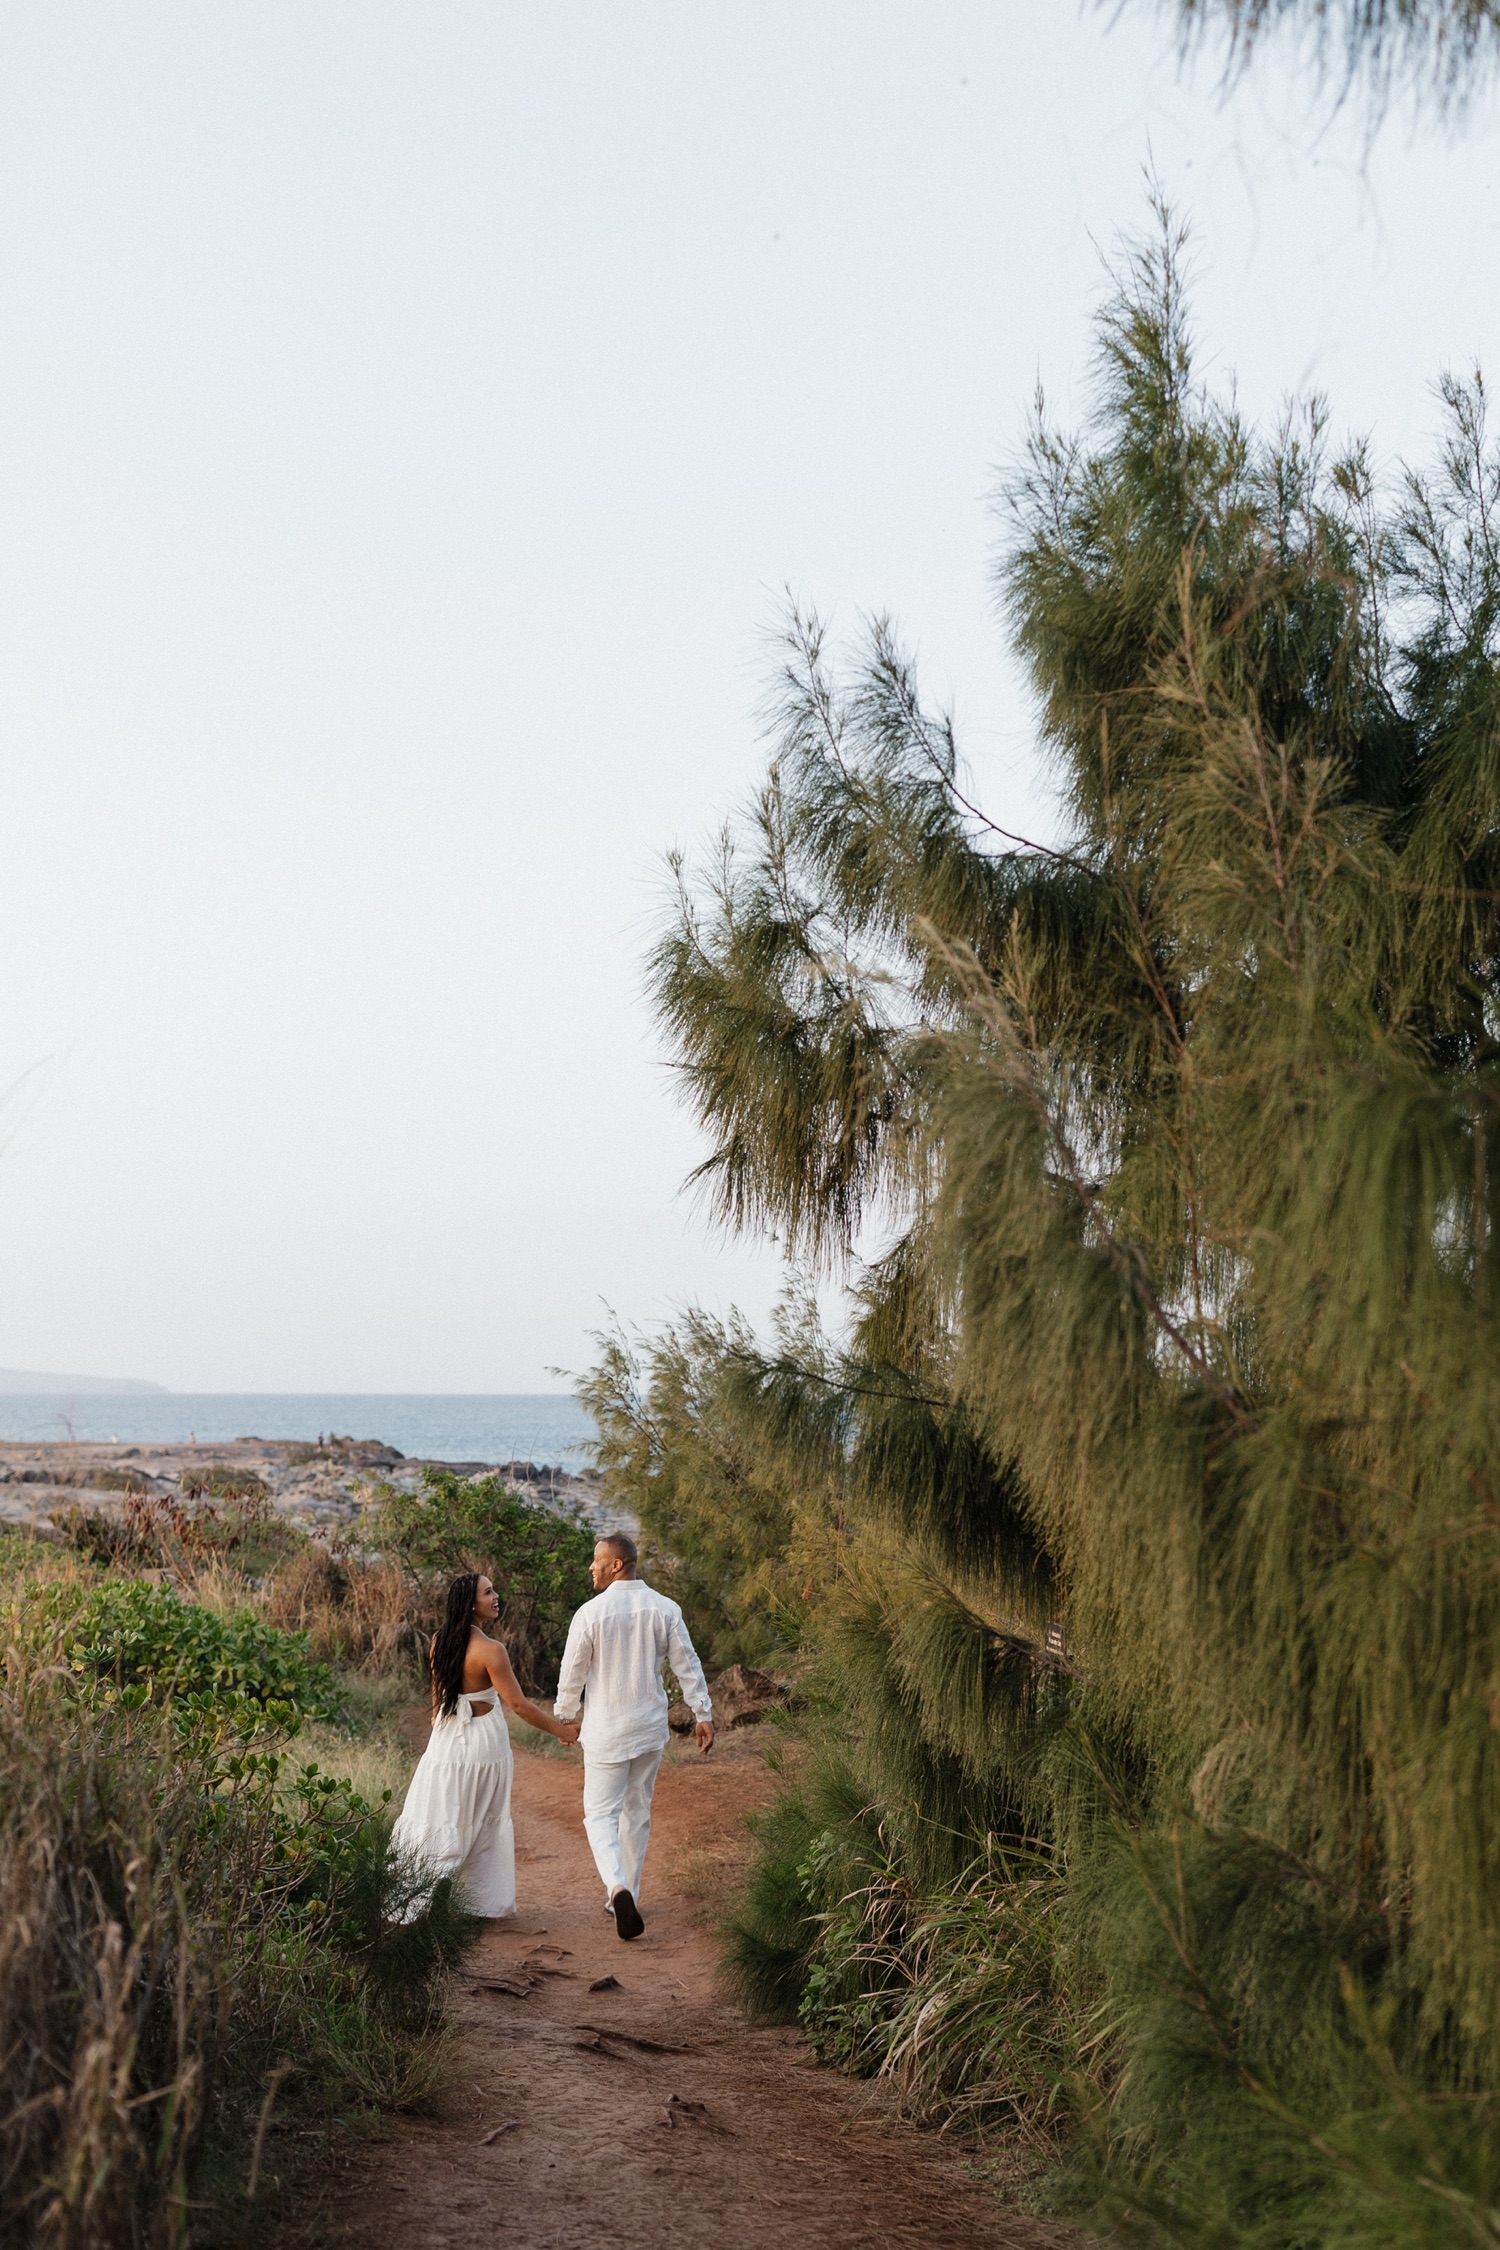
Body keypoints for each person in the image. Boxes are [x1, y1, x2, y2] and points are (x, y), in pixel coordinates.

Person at [391, 1569, 580, 1918]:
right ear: (470, 1604)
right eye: (488, 1593)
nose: (496, 1598)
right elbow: (518, 1705)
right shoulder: (492, 1651)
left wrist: (440, 1733)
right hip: (482, 1742)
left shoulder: (439, 1640)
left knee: (440, 1813)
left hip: (446, 1739)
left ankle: (422, 1891)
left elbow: (437, 1698)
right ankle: (477, 1903)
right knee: (483, 1817)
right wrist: (561, 1731)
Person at [553, 1531, 713, 1941]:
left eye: (597, 1560)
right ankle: (630, 1895)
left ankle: (616, 1888)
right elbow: (687, 1664)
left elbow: (572, 1673)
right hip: (647, 1729)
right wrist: (702, 1713)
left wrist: (564, 1717)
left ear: (616, 1564)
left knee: (599, 1815)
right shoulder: (665, 1608)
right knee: (636, 1810)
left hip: (606, 1732)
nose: (591, 1566)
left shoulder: (590, 1613)